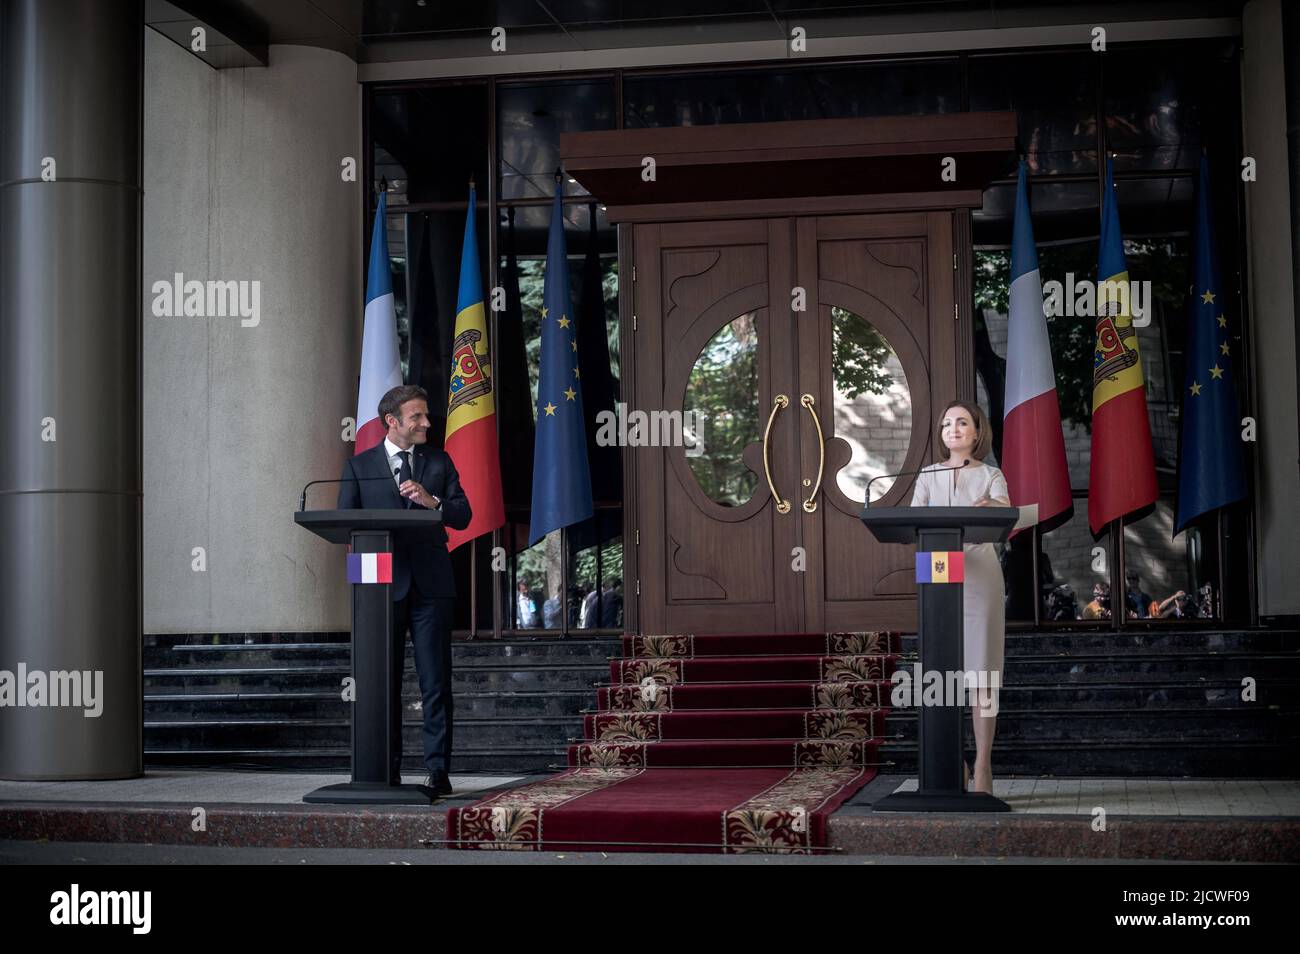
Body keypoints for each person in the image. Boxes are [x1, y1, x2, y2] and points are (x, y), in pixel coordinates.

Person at [336, 384, 471, 799]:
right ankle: (385, 768)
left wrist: (432, 502)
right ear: (391, 422)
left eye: (426, 415)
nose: (426, 423)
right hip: (378, 589)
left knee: (435, 682)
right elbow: (345, 529)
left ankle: (437, 770)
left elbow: (463, 515)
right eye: (417, 417)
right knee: (381, 682)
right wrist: (360, 584)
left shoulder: (439, 461)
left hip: (432, 586)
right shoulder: (360, 467)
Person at [909, 400, 1010, 796]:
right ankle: (954, 763)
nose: (953, 428)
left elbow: (1007, 512)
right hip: (936, 567)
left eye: (962, 422)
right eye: (947, 422)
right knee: (941, 672)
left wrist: (994, 506)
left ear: (976, 432)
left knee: (982, 672)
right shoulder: (926, 475)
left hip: (980, 568)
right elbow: (913, 524)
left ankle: (983, 765)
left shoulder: (991, 475)